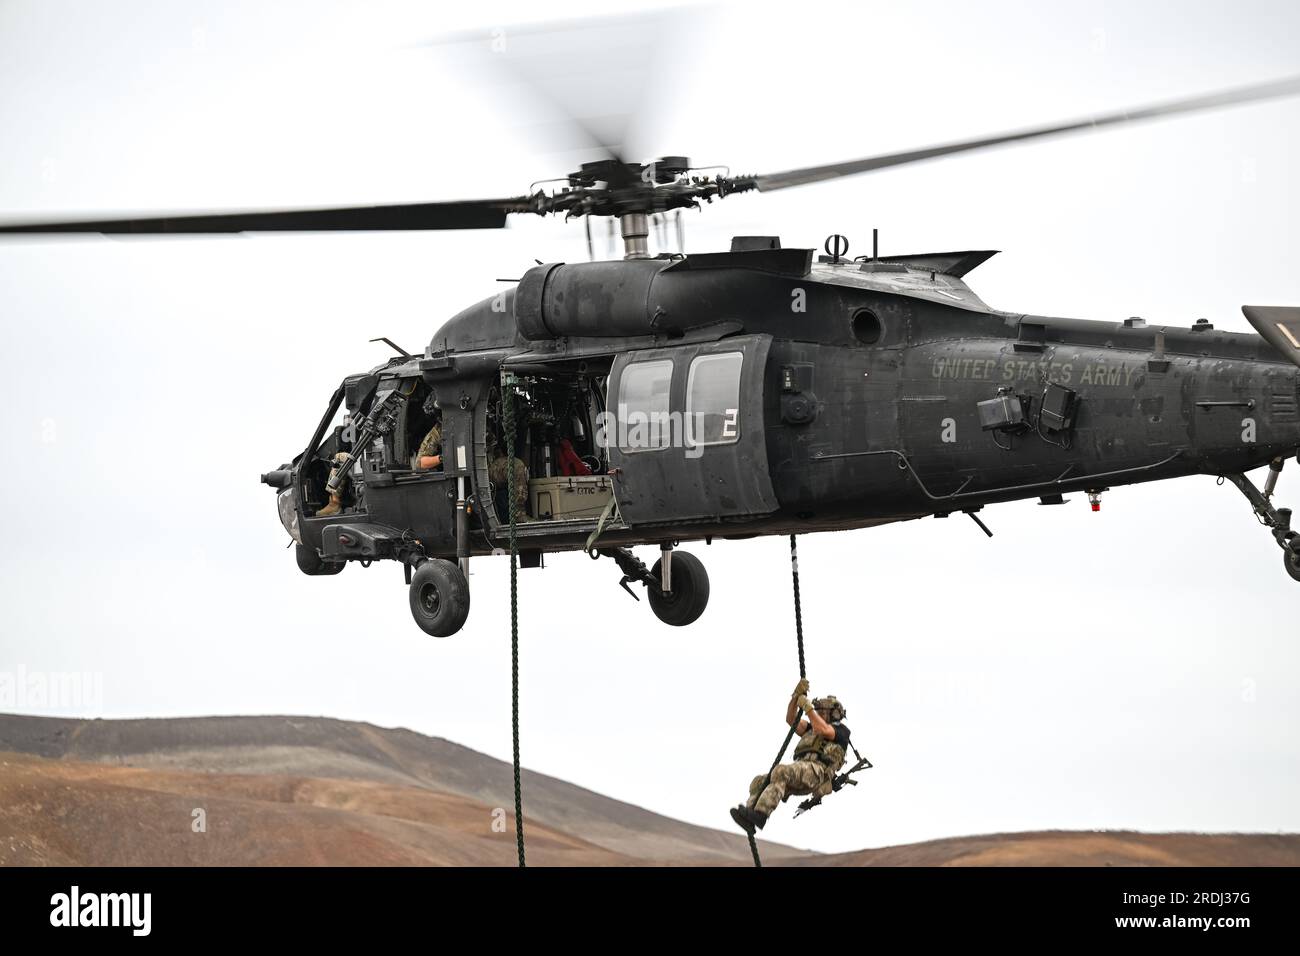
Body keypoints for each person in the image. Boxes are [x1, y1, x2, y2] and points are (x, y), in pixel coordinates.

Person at [730, 680, 851, 834]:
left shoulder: (841, 731)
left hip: (816, 773)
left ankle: (760, 815)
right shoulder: (810, 728)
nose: (818, 713)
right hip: (802, 771)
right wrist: (795, 697)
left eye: (821, 711)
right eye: (817, 710)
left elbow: (823, 730)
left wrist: (807, 708)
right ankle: (750, 814)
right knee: (759, 782)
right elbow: (791, 719)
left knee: (780, 771)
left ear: (833, 713)